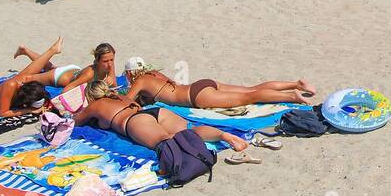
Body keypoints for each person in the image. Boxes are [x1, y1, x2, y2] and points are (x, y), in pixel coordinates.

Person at [75, 81, 249, 153]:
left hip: (135, 122)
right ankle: (223, 135)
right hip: (154, 112)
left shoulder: (95, 105)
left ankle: (224, 137)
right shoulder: (120, 96)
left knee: (164, 140)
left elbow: (75, 121)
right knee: (190, 129)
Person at [122, 69, 316, 108]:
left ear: (130, 74)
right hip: (201, 84)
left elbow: (127, 101)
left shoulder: (140, 82)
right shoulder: (155, 74)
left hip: (197, 97)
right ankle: (296, 84)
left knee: (251, 97)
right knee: (250, 89)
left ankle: (292, 96)